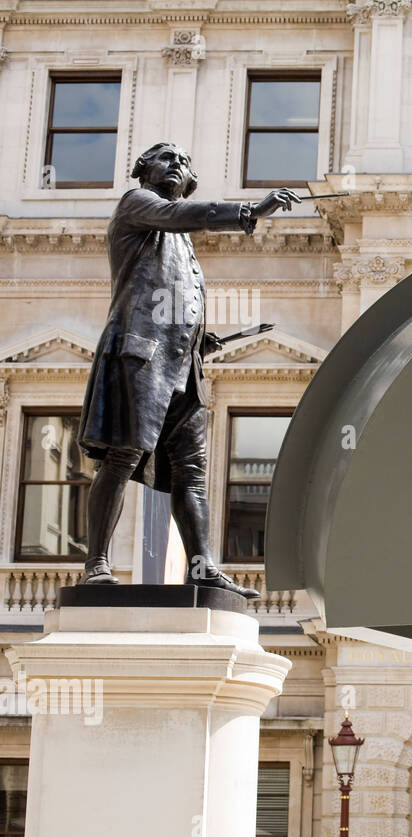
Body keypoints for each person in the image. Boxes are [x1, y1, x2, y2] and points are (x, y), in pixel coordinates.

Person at [77, 141, 300, 596]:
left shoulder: (180, 241)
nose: (176, 165)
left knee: (192, 471)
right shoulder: (139, 205)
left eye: (184, 161)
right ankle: (96, 564)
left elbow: (170, 299)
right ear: (144, 169)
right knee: (123, 455)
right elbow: (184, 215)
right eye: (166, 157)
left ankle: (201, 567)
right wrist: (250, 211)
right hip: (140, 357)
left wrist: (200, 340)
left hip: (182, 364)